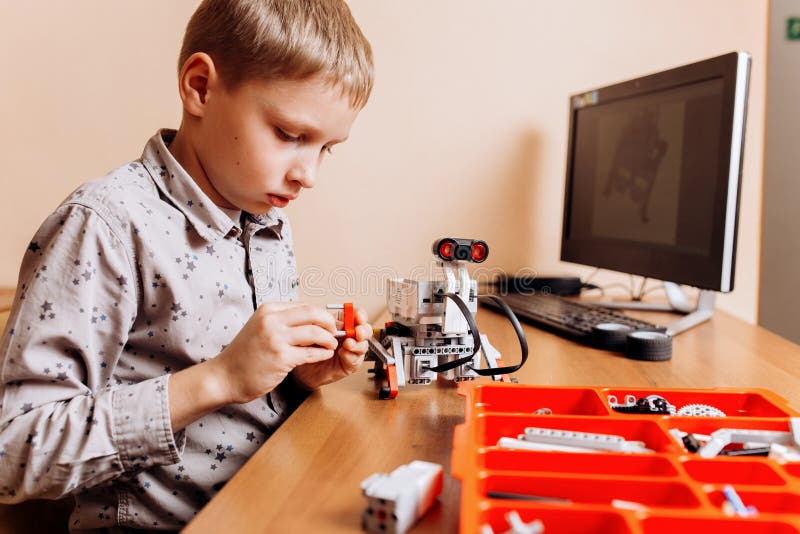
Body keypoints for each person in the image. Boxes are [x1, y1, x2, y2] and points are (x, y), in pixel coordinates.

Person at [0, 0, 374, 530]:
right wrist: (220, 378)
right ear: (199, 87)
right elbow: (14, 453)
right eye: (290, 135)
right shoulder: (105, 226)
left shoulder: (266, 219)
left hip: (267, 507)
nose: (308, 174)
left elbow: (242, 406)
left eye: (326, 148)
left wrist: (295, 378)